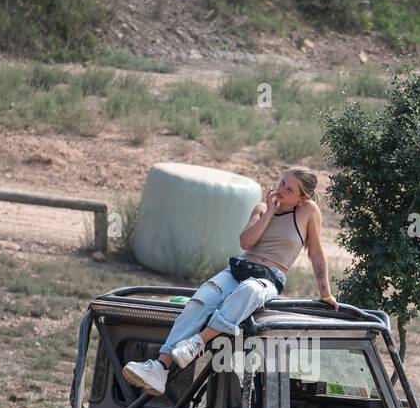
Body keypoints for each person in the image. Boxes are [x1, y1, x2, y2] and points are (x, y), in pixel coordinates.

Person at [123, 166, 337, 396]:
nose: (281, 189)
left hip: (270, 277)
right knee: (202, 299)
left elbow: (316, 253)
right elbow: (246, 243)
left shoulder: (308, 212)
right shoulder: (262, 207)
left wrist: (326, 293)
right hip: (239, 268)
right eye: (282, 182)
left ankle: (197, 343)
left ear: (302, 197)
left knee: (250, 291)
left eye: (289, 189)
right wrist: (269, 213)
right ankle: (160, 367)